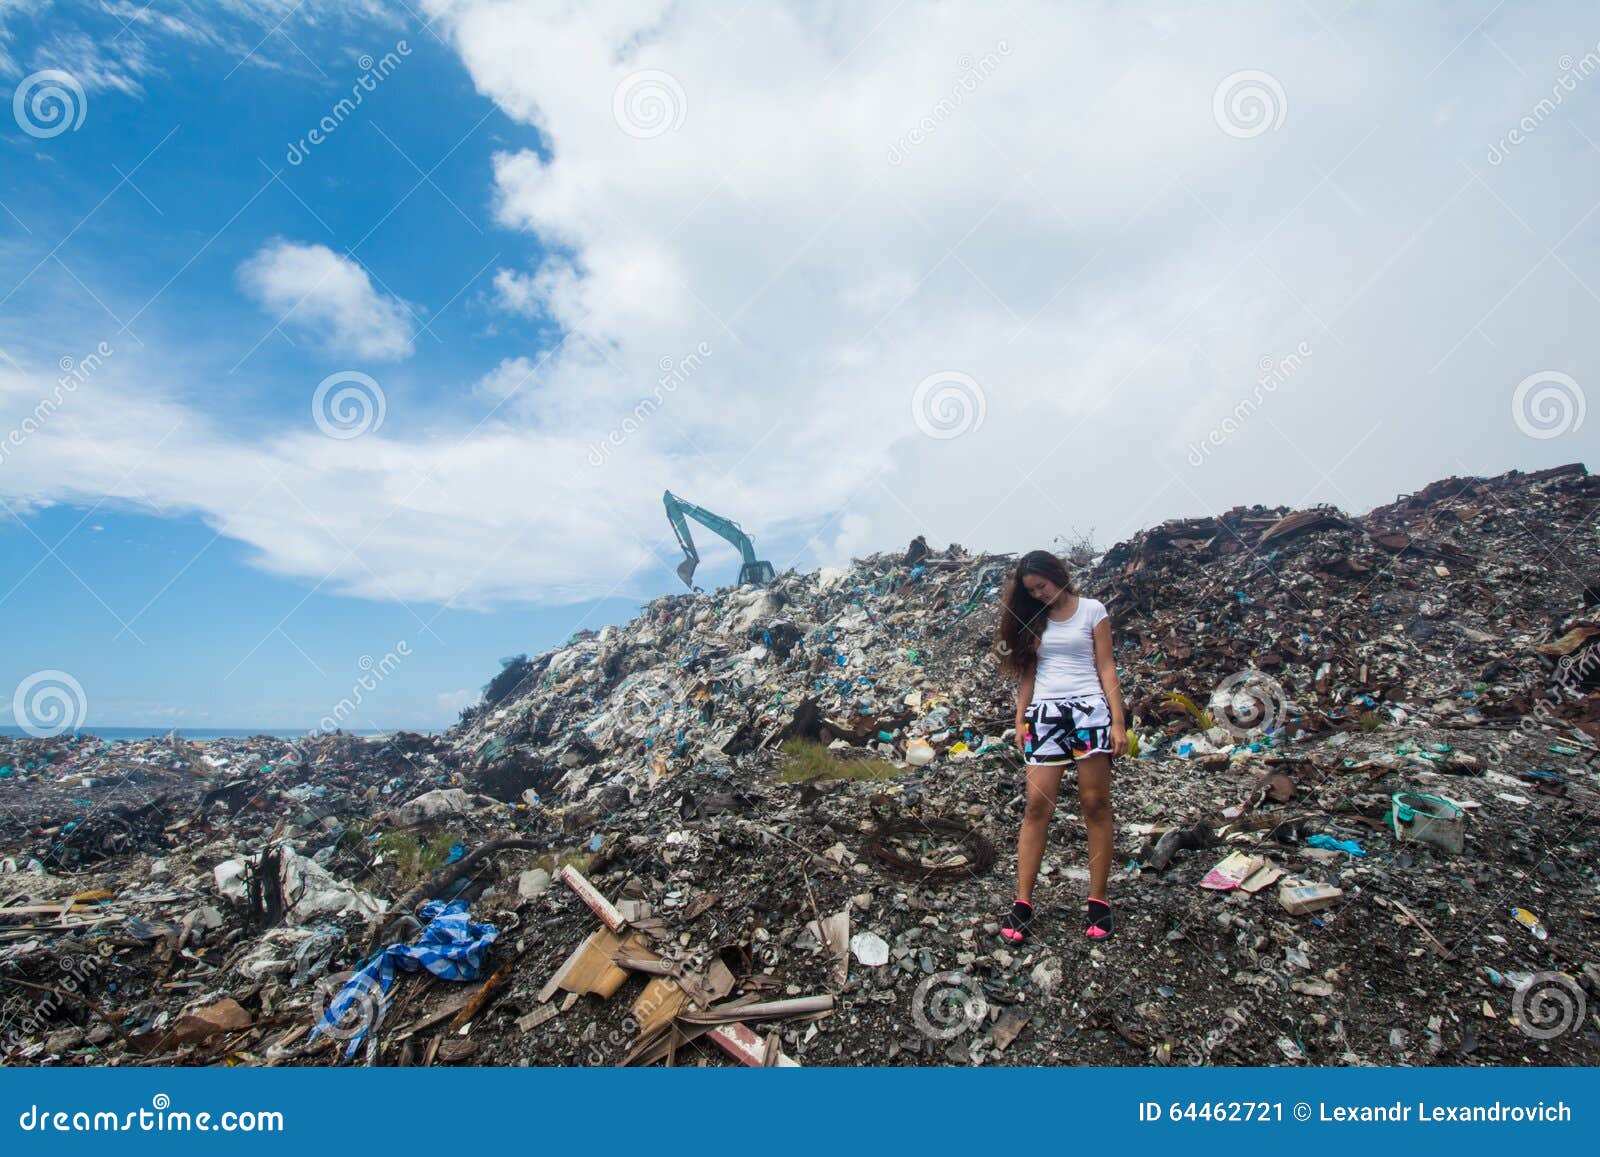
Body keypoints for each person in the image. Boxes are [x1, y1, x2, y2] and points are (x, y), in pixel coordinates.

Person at [993, 550, 1126, 942]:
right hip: (1046, 715)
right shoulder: (1034, 619)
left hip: (1089, 713)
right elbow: (1028, 675)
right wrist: (1020, 719)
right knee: (1037, 806)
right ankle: (1022, 902)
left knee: (1095, 805)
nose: (1039, 595)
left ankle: (1098, 901)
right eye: (1032, 591)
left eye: (1043, 586)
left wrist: (1118, 722)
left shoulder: (1092, 611)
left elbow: (1106, 667)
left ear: (1058, 575)